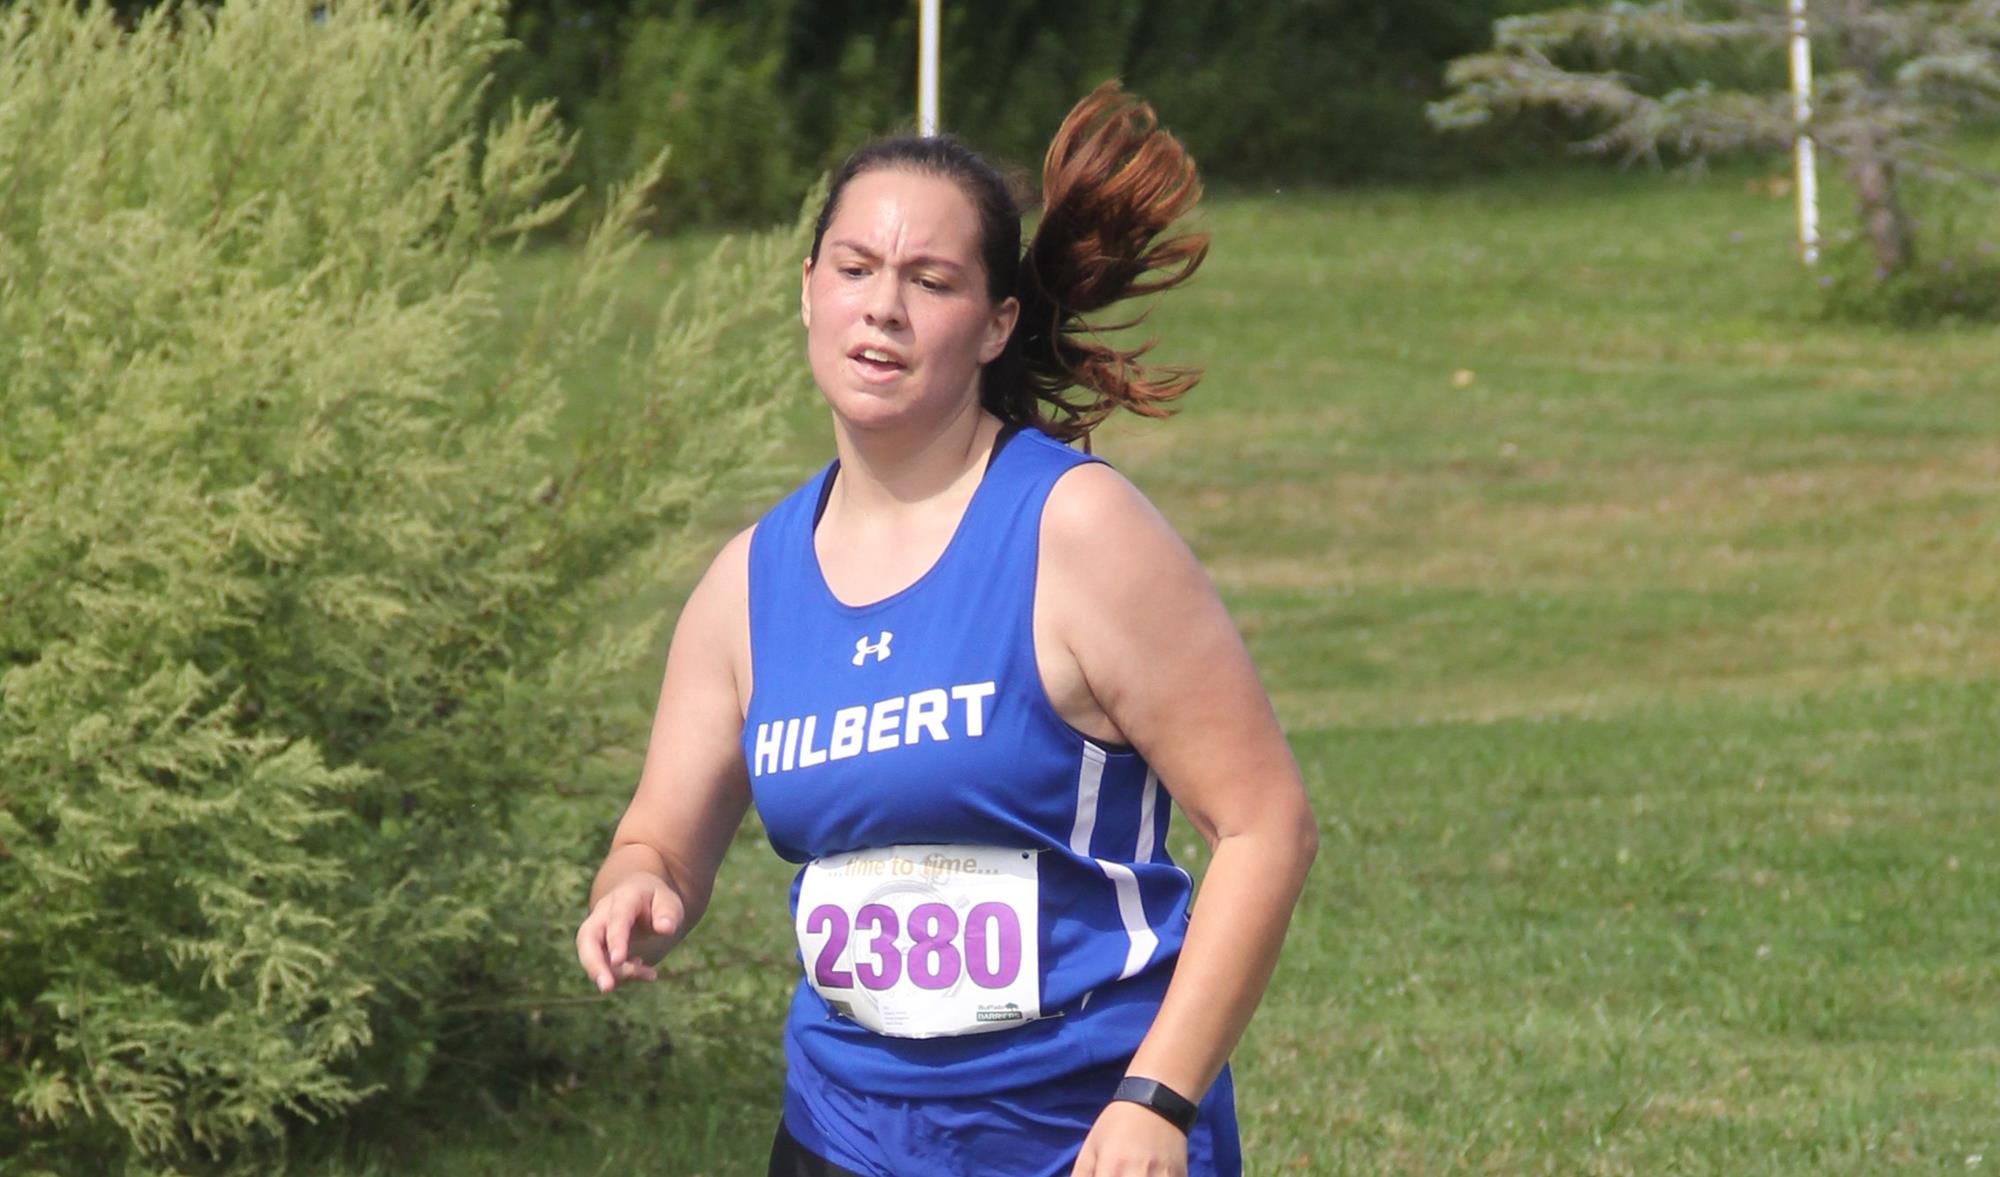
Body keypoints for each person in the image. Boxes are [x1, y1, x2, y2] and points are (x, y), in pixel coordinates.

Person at [575, 82, 1318, 1177]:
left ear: (995, 324)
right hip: (840, 1139)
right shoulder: (747, 584)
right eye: (854, 269)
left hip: (1080, 1139)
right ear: (807, 293)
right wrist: (636, 887)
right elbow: (658, 840)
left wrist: (1156, 1099)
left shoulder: (1073, 529)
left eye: (930, 281)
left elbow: (1264, 827)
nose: (882, 307)